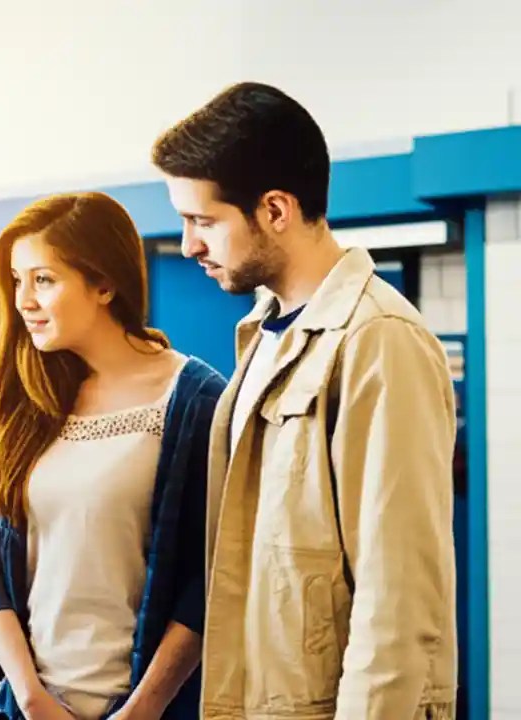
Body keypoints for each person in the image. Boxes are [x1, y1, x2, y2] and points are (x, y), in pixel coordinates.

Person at [151, 82, 458, 718]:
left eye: (204, 221)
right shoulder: (264, 334)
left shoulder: (379, 341)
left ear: (276, 209)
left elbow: (398, 594)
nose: (188, 245)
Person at [0, 192, 227, 720]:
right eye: (17, 281)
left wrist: (142, 709)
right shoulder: (35, 396)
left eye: (43, 279)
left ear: (105, 284)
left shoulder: (196, 398)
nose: (23, 301)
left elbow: (213, 577)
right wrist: (30, 697)